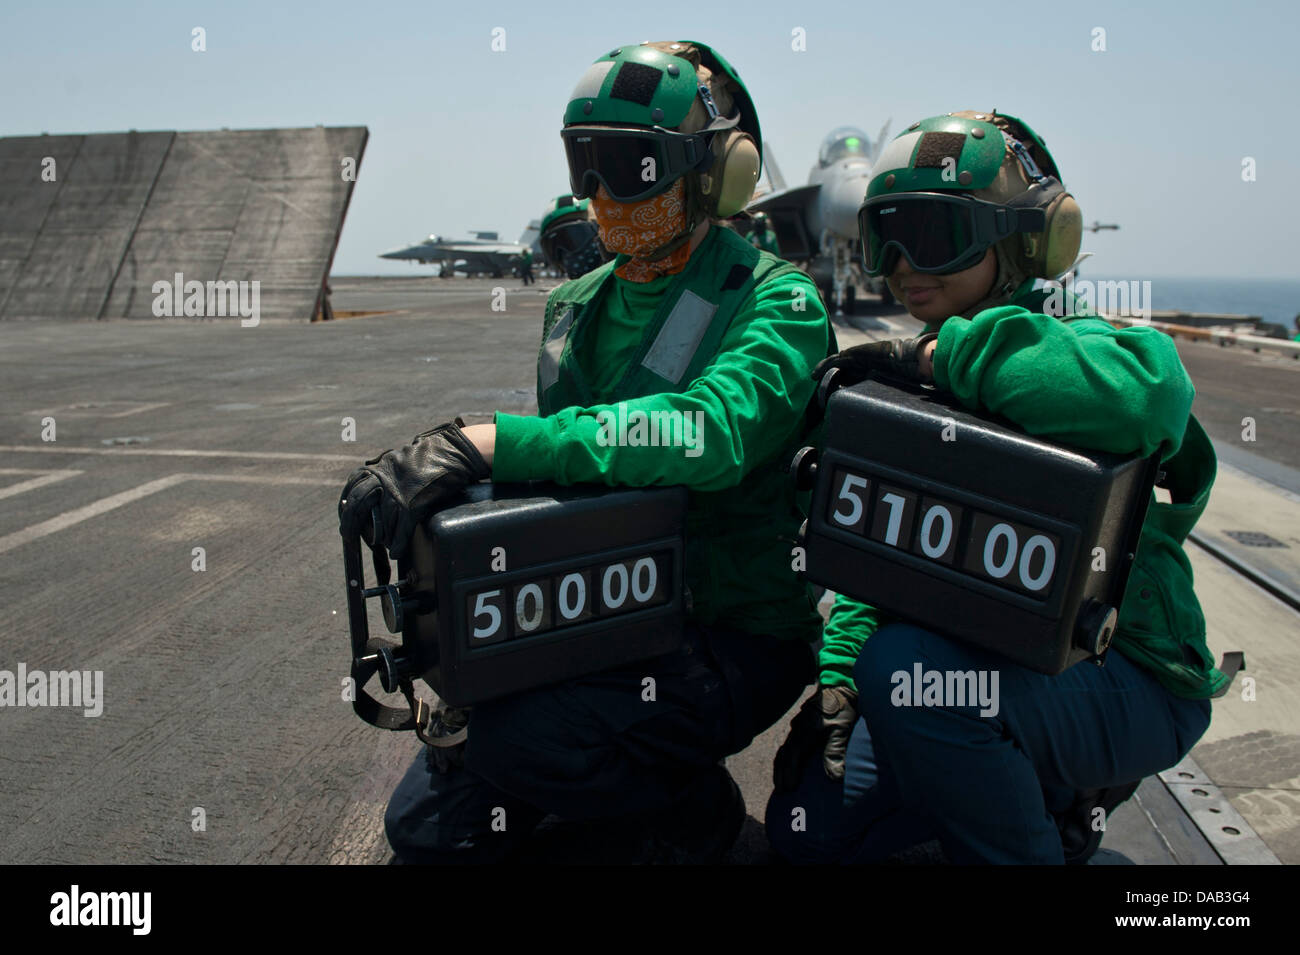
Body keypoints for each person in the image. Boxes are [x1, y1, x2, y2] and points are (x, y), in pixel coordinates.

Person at [340, 40, 834, 863]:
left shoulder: (776, 301)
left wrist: (489, 442)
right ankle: (600, 770)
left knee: (525, 745)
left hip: (730, 629)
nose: (602, 192)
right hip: (601, 609)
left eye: (631, 165)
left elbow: (706, 435)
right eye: (587, 163)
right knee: (428, 829)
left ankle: (690, 806)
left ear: (715, 170)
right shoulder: (575, 306)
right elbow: (578, 483)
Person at [766, 110, 1224, 865]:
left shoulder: (1067, 340)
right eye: (888, 237)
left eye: (936, 234)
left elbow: (1151, 391)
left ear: (1021, 239)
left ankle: (1045, 824)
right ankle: (1026, 797)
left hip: (1125, 677)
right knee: (809, 830)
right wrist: (837, 687)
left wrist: (938, 359)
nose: (906, 264)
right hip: (987, 665)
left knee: (908, 675)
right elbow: (874, 556)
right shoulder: (908, 383)